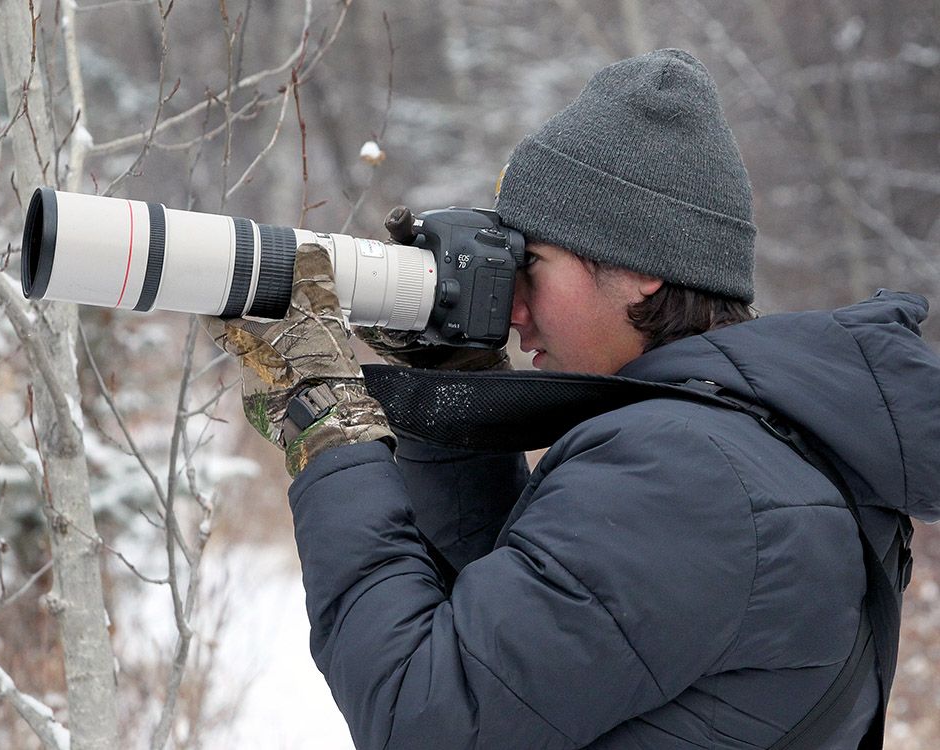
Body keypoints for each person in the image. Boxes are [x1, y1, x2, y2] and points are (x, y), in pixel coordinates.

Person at [205, 49, 940, 749]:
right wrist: (460, 399)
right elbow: (529, 644)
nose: (513, 307)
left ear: (641, 270)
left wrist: (328, 427)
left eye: (533, 265)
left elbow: (420, 711)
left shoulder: (688, 473)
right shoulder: (757, 451)